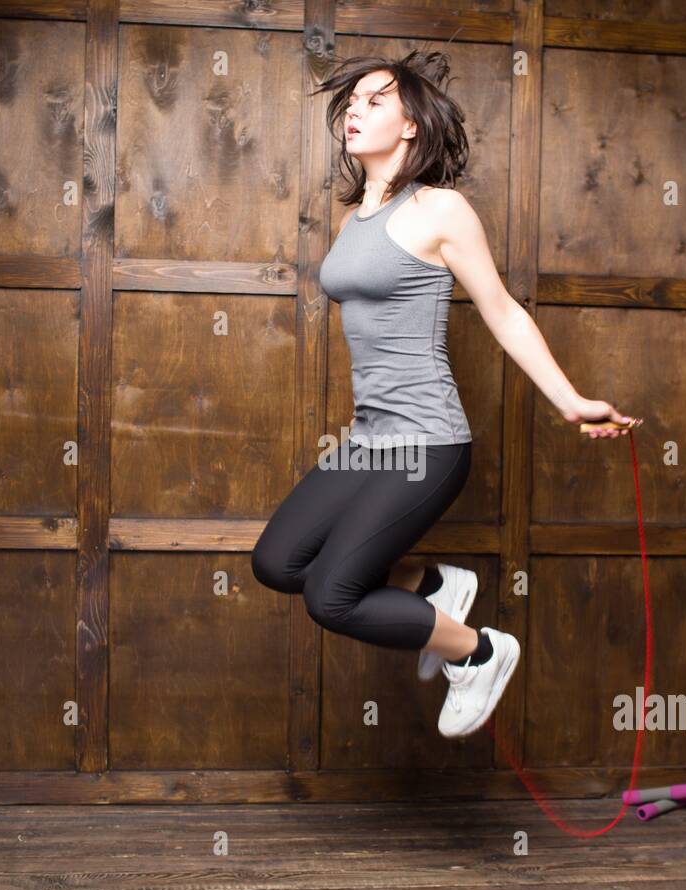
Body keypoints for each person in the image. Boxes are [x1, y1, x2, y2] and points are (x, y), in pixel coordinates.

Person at [251, 50, 639, 739]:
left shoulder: (441, 210)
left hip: (427, 443)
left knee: (330, 597)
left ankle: (481, 651)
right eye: (351, 102)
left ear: (409, 125)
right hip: (371, 439)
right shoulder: (354, 219)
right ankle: (431, 586)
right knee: (278, 562)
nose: (355, 112)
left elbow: (502, 311)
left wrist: (570, 400)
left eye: (375, 101)